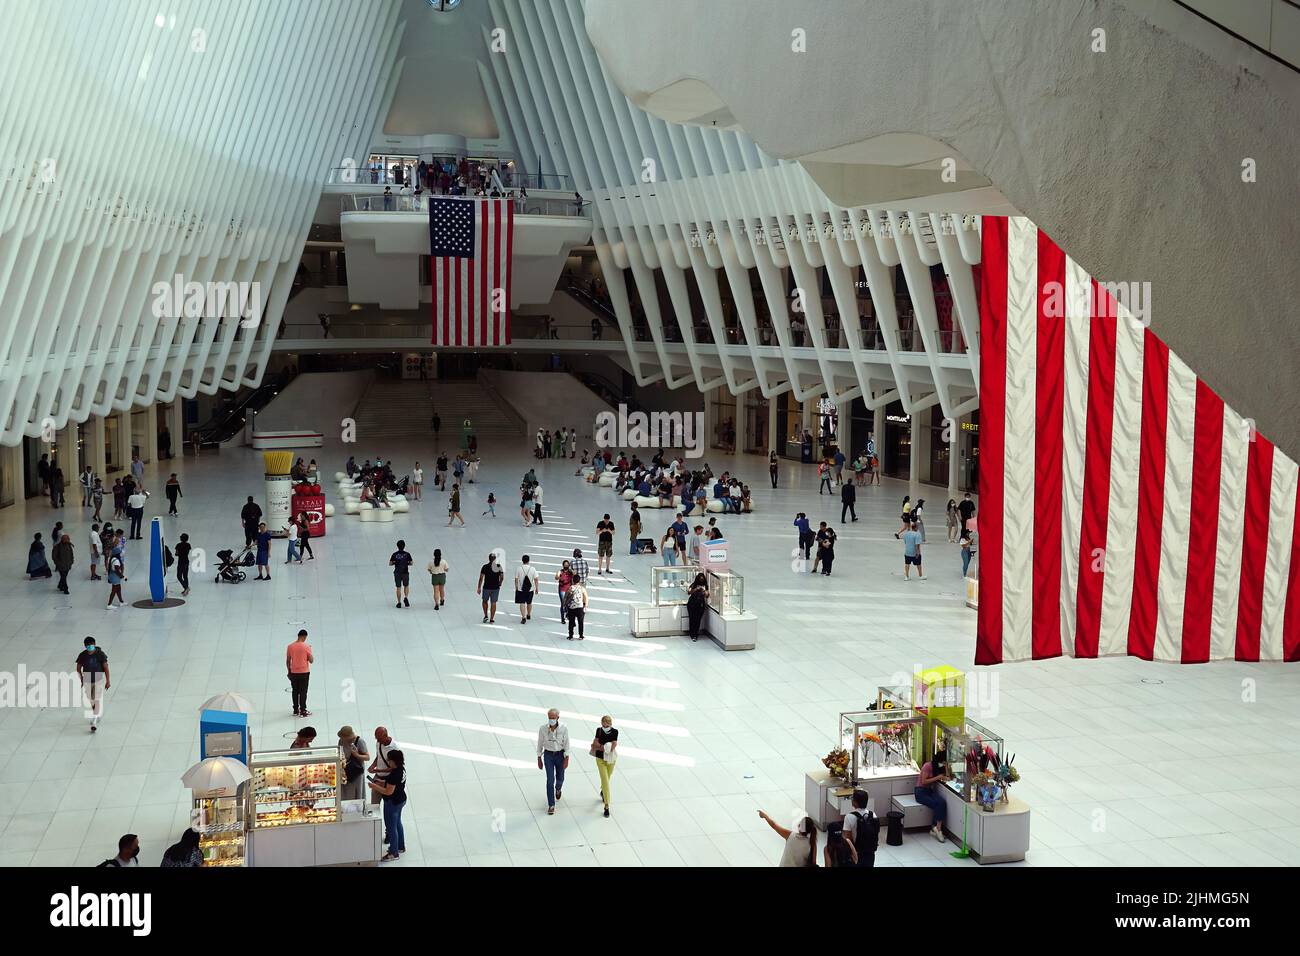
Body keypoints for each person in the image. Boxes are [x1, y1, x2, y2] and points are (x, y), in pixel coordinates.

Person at [369, 749, 407, 861]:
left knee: (391, 827)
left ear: (394, 761)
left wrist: (375, 787)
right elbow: (392, 784)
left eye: (389, 760)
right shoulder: (401, 769)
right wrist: (382, 782)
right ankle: (400, 846)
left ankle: (393, 853)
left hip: (392, 803)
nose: (388, 762)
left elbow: (388, 791)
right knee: (398, 823)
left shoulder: (395, 774)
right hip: (401, 800)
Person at [536, 709, 569, 815]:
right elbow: (540, 743)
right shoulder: (543, 729)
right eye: (549, 718)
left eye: (553, 718)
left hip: (560, 755)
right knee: (550, 780)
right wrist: (539, 758)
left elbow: (567, 743)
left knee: (560, 778)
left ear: (558, 717)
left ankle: (558, 789)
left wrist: (567, 758)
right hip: (548, 756)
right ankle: (551, 804)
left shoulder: (564, 728)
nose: (551, 720)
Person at [76, 636, 110, 732]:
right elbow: (78, 668)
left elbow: (106, 667)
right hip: (87, 679)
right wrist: (81, 679)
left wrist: (108, 681)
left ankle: (94, 721)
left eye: (91, 644)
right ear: (85, 646)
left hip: (98, 679)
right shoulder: (83, 655)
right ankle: (96, 713)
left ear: (94, 644)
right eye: (88, 645)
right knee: (91, 700)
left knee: (97, 699)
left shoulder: (100, 654)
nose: (90, 646)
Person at [914, 752, 950, 842]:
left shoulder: (939, 767)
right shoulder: (927, 766)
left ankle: (936, 828)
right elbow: (924, 781)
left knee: (942, 802)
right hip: (921, 792)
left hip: (929, 791)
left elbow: (947, 777)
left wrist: (946, 767)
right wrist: (937, 777)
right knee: (937, 804)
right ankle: (938, 829)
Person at [843, 789, 880, 868]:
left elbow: (847, 839)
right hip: (870, 851)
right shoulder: (873, 814)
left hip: (856, 852)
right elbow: (876, 833)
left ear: (855, 802)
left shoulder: (849, 817)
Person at [592, 715, 618, 817]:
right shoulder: (598, 730)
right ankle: (606, 806)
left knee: (608, 777)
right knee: (605, 780)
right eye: (603, 723)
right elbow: (595, 743)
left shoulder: (615, 732)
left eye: (607, 723)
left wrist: (601, 746)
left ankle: (603, 791)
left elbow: (613, 746)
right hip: (600, 759)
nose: (605, 725)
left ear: (610, 723)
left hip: (611, 759)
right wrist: (604, 747)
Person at [338, 726, 370, 802]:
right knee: (345, 790)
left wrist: (356, 755)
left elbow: (367, 757)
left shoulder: (359, 741)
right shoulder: (341, 741)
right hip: (345, 769)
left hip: (356, 771)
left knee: (357, 791)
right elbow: (339, 751)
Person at [287, 629, 313, 717]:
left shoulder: (290, 646)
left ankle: (295, 710)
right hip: (304, 672)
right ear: (304, 636)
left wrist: (289, 671)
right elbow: (311, 660)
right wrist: (310, 651)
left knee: (295, 691)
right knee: (303, 692)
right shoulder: (306, 647)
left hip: (294, 672)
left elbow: (288, 661)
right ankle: (303, 710)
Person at [477, 552, 504, 623]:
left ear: (489, 559)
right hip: (495, 588)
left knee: (485, 601)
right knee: (493, 602)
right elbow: (502, 577)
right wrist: (500, 583)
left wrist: (479, 587)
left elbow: (481, 578)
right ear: (495, 559)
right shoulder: (499, 566)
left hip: (486, 587)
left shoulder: (485, 567)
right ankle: (492, 619)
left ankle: (486, 615)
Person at [514, 554, 539, 624]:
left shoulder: (518, 568)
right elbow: (536, 579)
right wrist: (537, 588)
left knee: (522, 603)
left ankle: (523, 617)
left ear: (522, 560)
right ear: (528, 560)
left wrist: (516, 587)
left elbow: (516, 579)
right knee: (529, 602)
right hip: (530, 589)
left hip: (520, 589)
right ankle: (528, 614)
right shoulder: (533, 569)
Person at [390, 539, 413, 608]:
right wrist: (407, 563)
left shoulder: (394, 554)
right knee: (406, 585)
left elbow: (390, 563)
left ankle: (399, 602)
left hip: (397, 572)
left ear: (397, 546)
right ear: (404, 546)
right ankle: (406, 597)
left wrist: (395, 562)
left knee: (398, 587)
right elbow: (411, 563)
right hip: (405, 572)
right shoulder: (407, 554)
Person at [686, 572, 708, 643]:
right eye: (700, 579)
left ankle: (695, 634)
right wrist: (696, 589)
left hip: (700, 605)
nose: (701, 580)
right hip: (692, 604)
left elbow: (707, 595)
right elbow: (689, 592)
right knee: (692, 619)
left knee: (697, 620)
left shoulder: (705, 586)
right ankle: (692, 634)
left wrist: (703, 590)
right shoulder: (694, 584)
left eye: (702, 579)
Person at [565, 574, 588, 639]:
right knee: (580, 622)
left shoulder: (570, 588)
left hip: (571, 607)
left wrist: (565, 604)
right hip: (580, 607)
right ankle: (581, 635)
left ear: (573, 580)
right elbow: (586, 597)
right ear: (579, 580)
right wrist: (585, 606)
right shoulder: (582, 588)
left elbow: (566, 597)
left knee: (571, 622)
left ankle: (571, 635)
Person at [105, 544, 126, 609]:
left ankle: (121, 602)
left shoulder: (112, 558)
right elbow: (117, 570)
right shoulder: (116, 561)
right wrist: (122, 576)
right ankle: (109, 604)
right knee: (114, 590)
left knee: (118, 589)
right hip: (115, 577)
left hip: (113, 575)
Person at [554, 559, 574, 625]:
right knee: (563, 603)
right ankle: (562, 618)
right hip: (562, 589)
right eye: (565, 565)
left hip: (569, 590)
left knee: (569, 603)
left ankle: (568, 613)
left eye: (567, 565)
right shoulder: (560, 571)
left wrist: (572, 571)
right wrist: (559, 577)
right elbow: (556, 577)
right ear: (563, 565)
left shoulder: (570, 572)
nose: (566, 566)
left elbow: (575, 574)